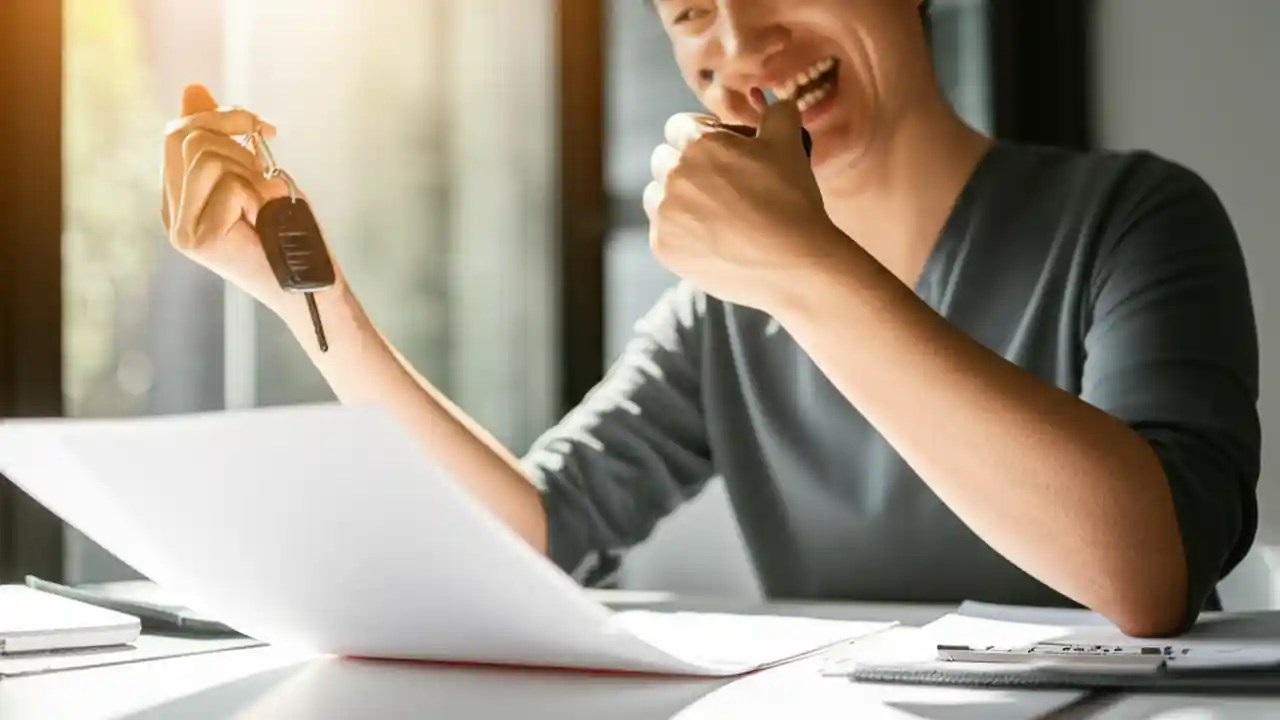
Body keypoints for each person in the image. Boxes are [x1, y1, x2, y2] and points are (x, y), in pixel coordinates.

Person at [160, 0, 1258, 637]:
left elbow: (1143, 575)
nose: (735, 45)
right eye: (689, 12)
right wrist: (309, 298)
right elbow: (532, 538)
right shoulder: (719, 316)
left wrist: (802, 267)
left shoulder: (1133, 219)